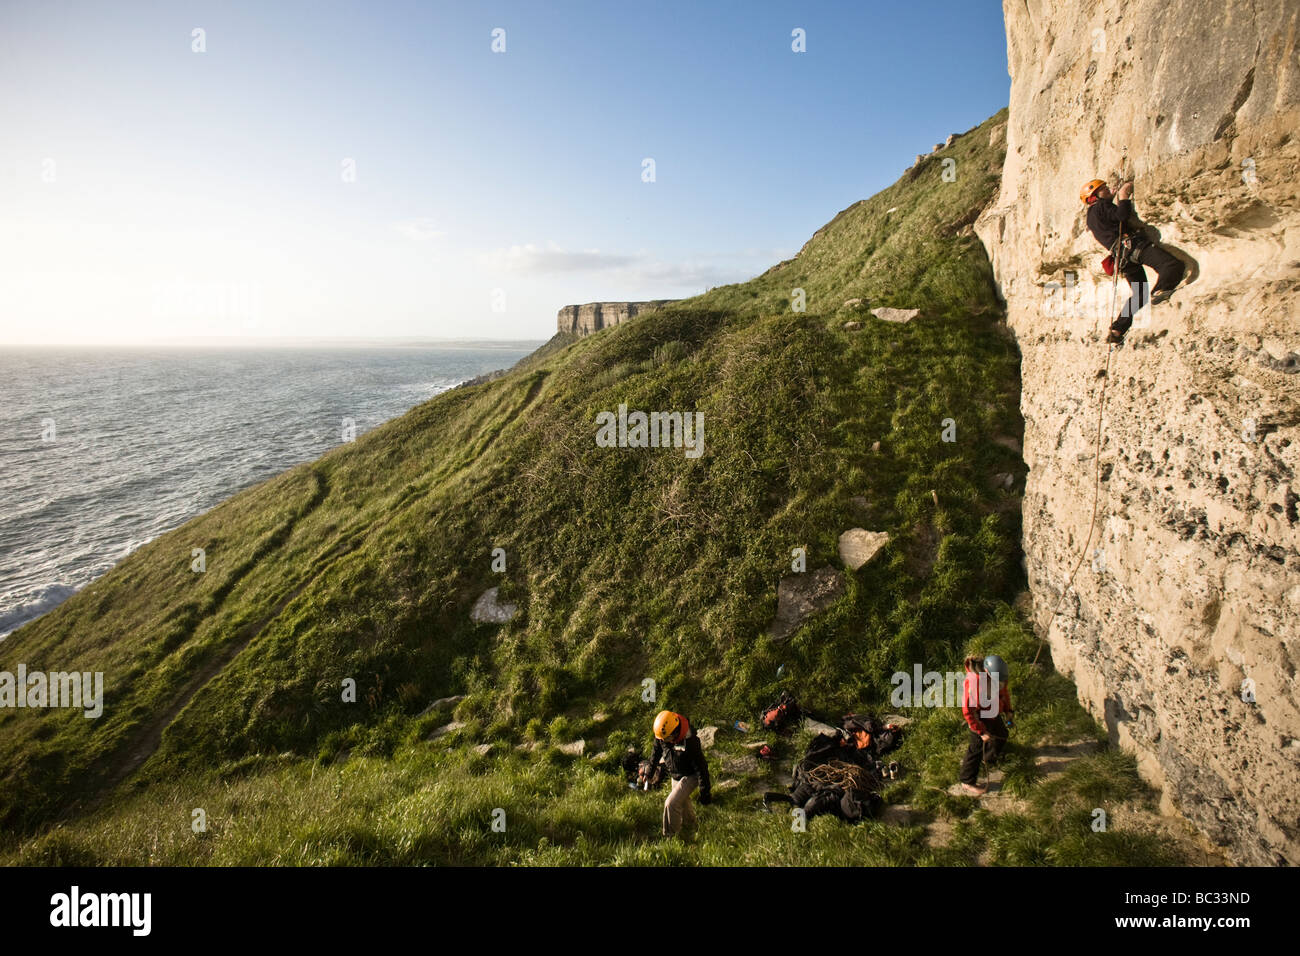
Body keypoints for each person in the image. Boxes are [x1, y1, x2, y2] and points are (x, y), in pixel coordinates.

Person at [1081, 178, 1186, 344]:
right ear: (1094, 197)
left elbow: (1111, 220)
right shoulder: (1101, 206)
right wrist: (1123, 196)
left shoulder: (1091, 216)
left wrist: (1111, 199)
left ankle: (1117, 329)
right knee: (1171, 265)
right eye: (1103, 189)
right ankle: (1160, 290)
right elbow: (1121, 216)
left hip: (1124, 258)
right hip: (1134, 248)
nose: (1107, 189)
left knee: (1140, 294)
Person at [644, 710, 711, 837]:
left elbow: (702, 768)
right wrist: (649, 772)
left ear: (674, 733)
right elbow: (655, 753)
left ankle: (670, 836)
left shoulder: (690, 742)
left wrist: (705, 793)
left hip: (691, 775)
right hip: (675, 774)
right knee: (683, 802)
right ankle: (691, 827)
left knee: (671, 804)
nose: (663, 741)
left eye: (666, 738)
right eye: (661, 739)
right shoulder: (663, 735)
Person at [959, 654, 1014, 796]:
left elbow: (1003, 693)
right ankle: (967, 781)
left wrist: (1008, 710)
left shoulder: (998, 676)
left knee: (1002, 735)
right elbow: (968, 711)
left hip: (992, 711)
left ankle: (988, 759)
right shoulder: (974, 684)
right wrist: (981, 732)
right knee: (976, 749)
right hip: (978, 716)